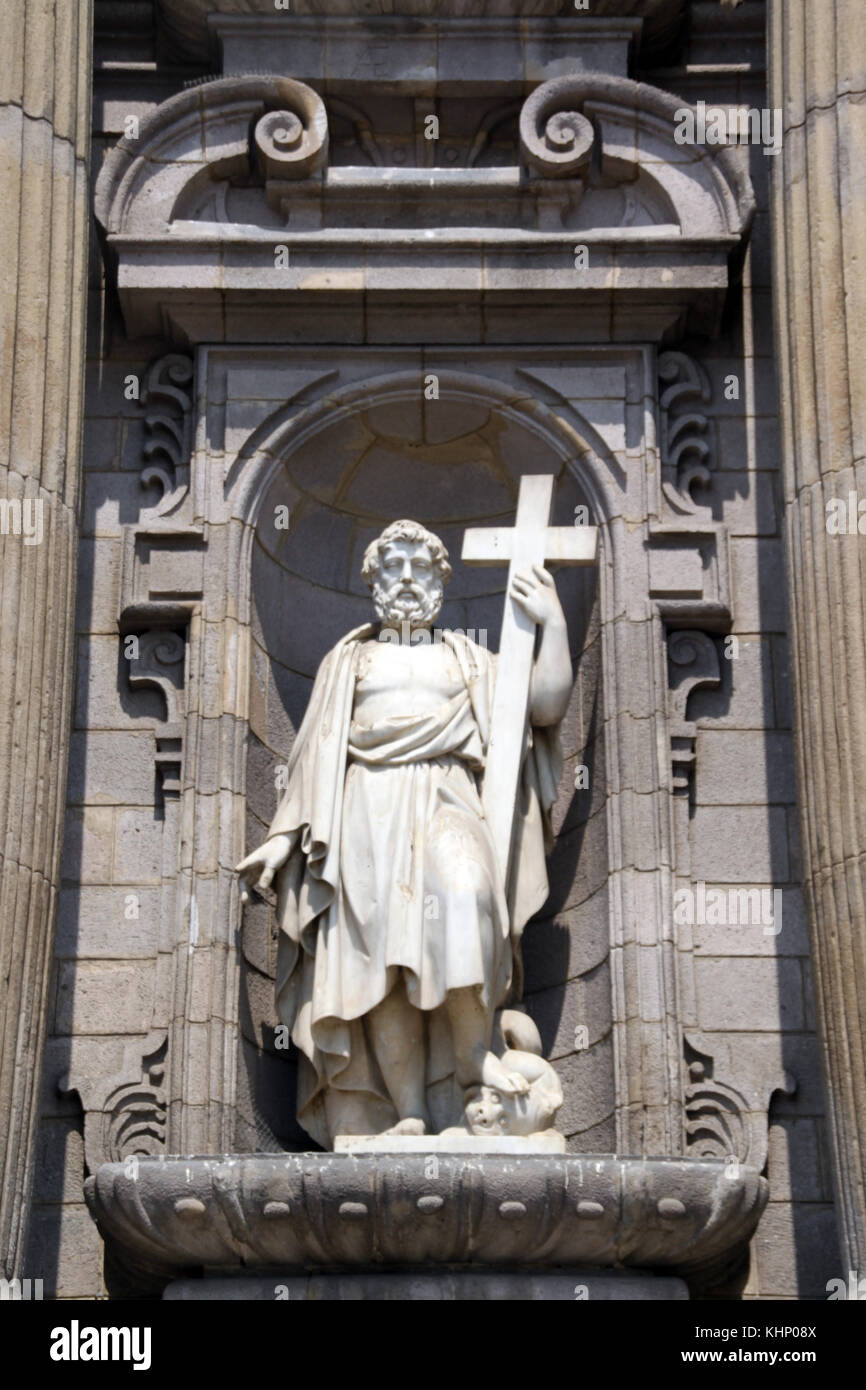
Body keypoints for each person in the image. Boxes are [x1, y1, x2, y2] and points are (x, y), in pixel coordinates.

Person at [236, 519, 571, 1147]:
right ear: (373, 582)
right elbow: (313, 760)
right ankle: (410, 1112)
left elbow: (544, 706)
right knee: (380, 957)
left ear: (443, 582)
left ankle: (473, 1058)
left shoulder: (470, 660)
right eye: (395, 566)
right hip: (364, 811)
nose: (409, 578)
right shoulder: (349, 661)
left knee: (469, 896)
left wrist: (551, 622)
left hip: (449, 795)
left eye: (422, 566)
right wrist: (282, 843)